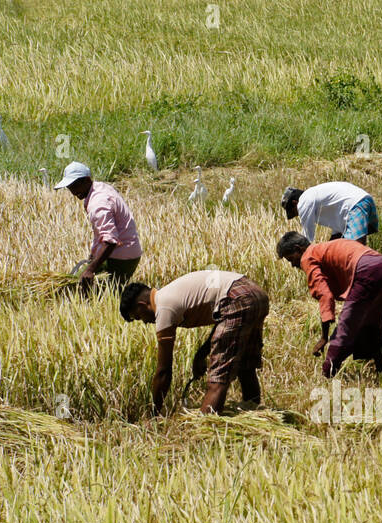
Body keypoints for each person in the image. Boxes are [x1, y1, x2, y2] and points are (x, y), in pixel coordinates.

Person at [119, 270, 269, 416]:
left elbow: (164, 370)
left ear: (142, 305)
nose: (145, 322)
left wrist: (155, 413)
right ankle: (253, 414)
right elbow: (223, 316)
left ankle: (207, 427)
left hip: (237, 298)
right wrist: (202, 354)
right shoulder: (169, 293)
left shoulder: (163, 307)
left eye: (139, 317)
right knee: (245, 366)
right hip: (254, 292)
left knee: (218, 377)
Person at [276, 232, 382, 378]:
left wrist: (324, 337)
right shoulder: (323, 248)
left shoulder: (308, 256)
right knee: (374, 323)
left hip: (366, 272)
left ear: (298, 249)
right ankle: (381, 370)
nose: (293, 265)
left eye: (291, 259)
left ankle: (327, 374)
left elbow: (325, 295)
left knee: (344, 329)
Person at [53, 161, 142, 295]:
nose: (73, 191)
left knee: (90, 292)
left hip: (120, 258)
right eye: (70, 187)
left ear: (86, 180)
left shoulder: (98, 204)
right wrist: (94, 256)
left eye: (75, 185)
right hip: (129, 252)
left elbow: (111, 241)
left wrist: (91, 269)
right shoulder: (100, 187)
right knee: (89, 287)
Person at [281, 181, 378, 244]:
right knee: (342, 249)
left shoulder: (303, 201)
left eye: (294, 212)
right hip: (364, 201)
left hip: (355, 205)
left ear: (295, 203)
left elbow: (307, 239)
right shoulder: (315, 195)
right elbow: (338, 234)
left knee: (355, 250)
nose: (298, 215)